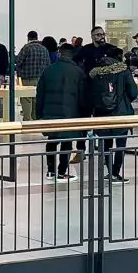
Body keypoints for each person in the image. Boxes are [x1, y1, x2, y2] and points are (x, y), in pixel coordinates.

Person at [34, 43, 88, 180]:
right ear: (72, 55)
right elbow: (83, 97)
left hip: (50, 112)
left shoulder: (48, 70)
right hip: (70, 113)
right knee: (67, 142)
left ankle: (50, 171)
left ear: (59, 53)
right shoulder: (78, 72)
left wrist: (39, 113)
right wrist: (84, 115)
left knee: (52, 141)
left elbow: (39, 93)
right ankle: (62, 171)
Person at [88, 44, 138, 182]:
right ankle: (116, 173)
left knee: (105, 144)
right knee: (120, 144)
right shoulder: (124, 71)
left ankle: (109, 171)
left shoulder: (96, 73)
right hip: (122, 113)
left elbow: (91, 94)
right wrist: (124, 101)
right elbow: (133, 92)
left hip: (101, 113)